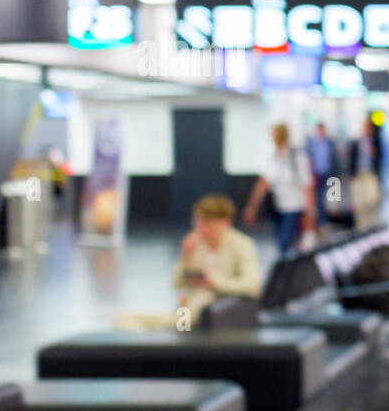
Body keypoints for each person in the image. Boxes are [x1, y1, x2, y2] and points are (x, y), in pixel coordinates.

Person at [113, 195, 261, 330]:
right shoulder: (196, 244)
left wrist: (213, 282)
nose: (201, 228)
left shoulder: (242, 245)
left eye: (207, 223)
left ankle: (161, 335)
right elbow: (177, 283)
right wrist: (185, 256)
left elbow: (252, 285)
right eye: (198, 222)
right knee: (121, 320)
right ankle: (152, 338)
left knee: (188, 313)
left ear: (225, 222)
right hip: (188, 306)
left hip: (215, 307)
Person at [243, 123, 315, 257]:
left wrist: (310, 212)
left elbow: (307, 185)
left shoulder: (297, 156)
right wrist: (252, 207)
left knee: (284, 243)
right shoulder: (273, 157)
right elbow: (263, 183)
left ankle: (287, 273)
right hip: (277, 207)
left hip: (294, 206)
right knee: (280, 244)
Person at [348, 118, 383, 230]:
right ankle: (361, 226)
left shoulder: (376, 142)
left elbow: (382, 157)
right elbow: (351, 159)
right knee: (359, 202)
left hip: (371, 174)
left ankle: (372, 224)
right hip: (359, 175)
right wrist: (351, 175)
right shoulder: (356, 142)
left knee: (372, 199)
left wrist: (374, 154)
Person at [306, 122, 340, 226]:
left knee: (331, 198)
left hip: (328, 173)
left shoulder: (330, 143)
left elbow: (335, 160)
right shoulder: (312, 144)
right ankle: (321, 222)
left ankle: (329, 221)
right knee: (318, 199)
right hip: (316, 175)